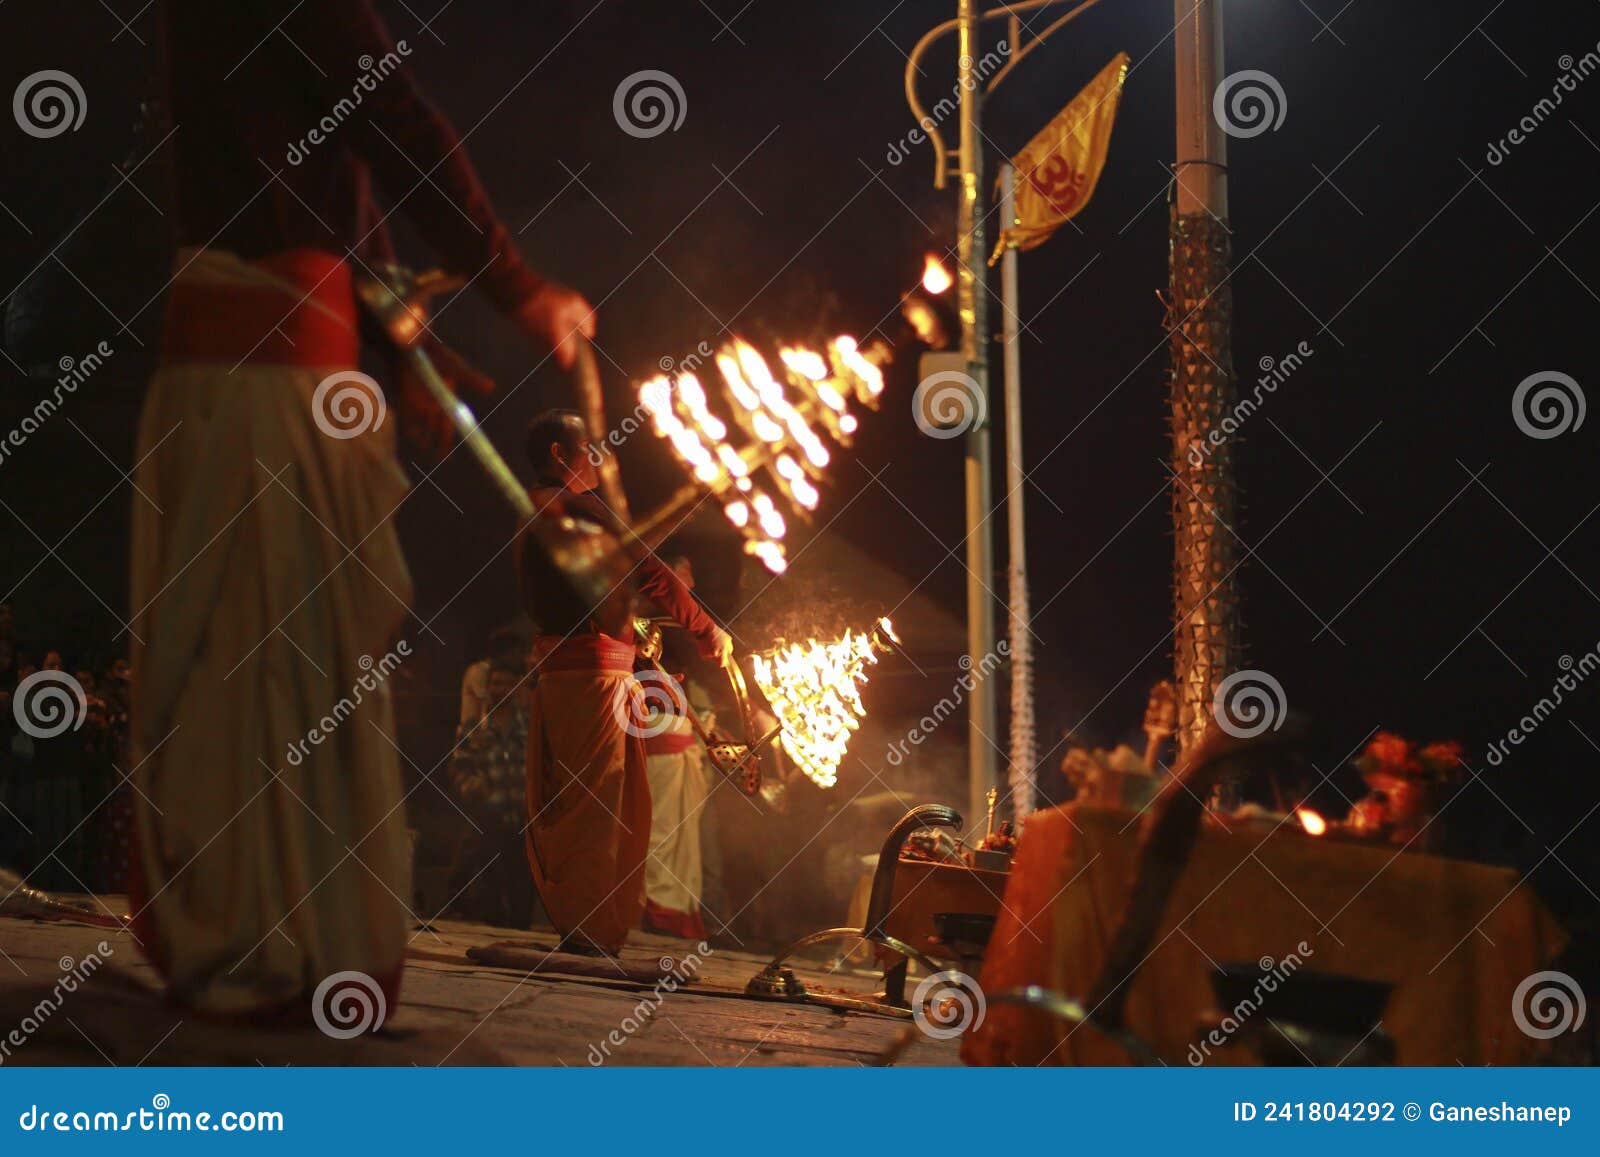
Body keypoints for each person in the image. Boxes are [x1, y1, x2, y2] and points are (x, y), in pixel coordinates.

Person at [128, 0, 594, 1018]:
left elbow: (319, 187)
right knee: (283, 660)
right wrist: (518, 286)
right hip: (268, 381)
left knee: (245, 663)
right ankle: (276, 942)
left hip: (245, 361)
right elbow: (394, 121)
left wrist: (400, 354)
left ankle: (260, 932)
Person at [517, 410, 730, 956]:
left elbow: (589, 590)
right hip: (592, 679)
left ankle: (582, 923)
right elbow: (653, 573)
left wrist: (631, 631)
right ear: (562, 456)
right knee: (599, 804)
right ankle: (590, 930)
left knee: (576, 802)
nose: (600, 456)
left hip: (566, 674)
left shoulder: (534, 510)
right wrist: (708, 630)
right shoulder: (578, 510)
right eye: (589, 446)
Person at [447, 662, 537, 928]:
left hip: (523, 821)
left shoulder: (529, 727)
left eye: (508, 684)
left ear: (518, 688)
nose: (501, 690)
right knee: (491, 894)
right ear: (488, 689)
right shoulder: (474, 728)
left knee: (523, 894)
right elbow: (459, 768)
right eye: (496, 684)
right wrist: (478, 794)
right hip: (489, 823)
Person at [459, 627, 525, 728]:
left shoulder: (504, 673)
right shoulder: (479, 671)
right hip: (476, 736)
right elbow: (484, 710)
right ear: (507, 652)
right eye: (518, 652)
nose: (521, 658)